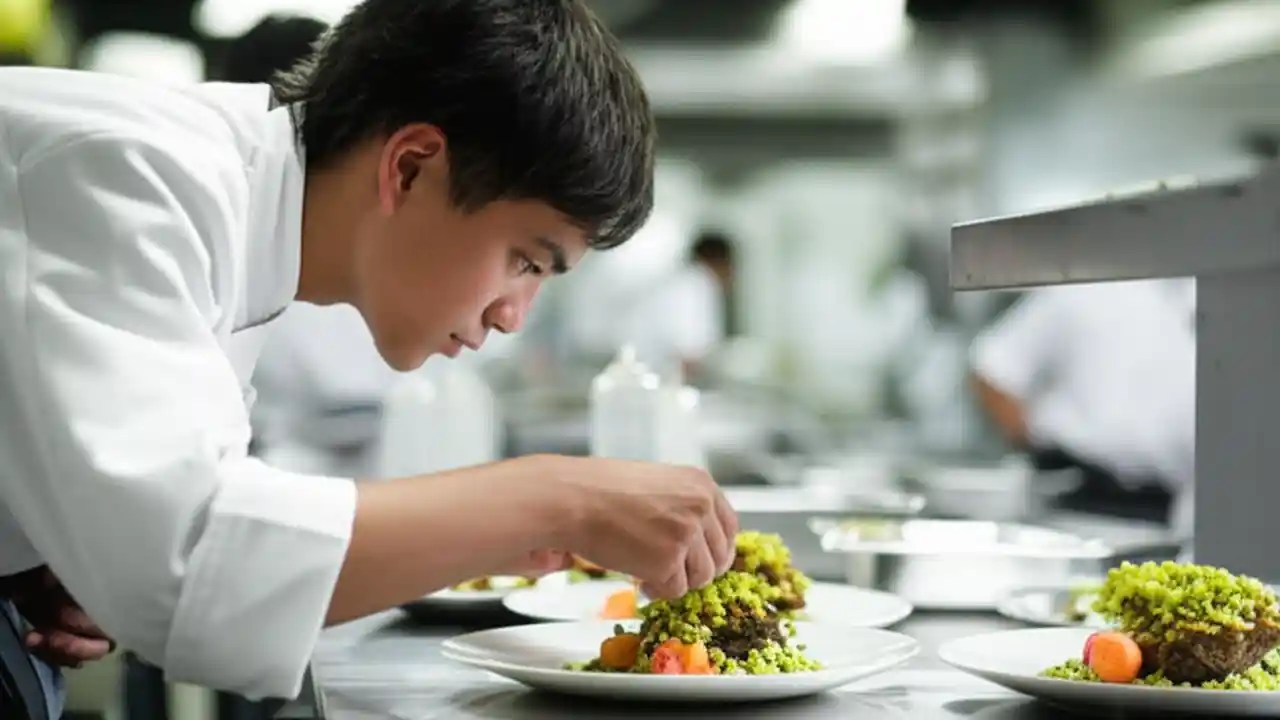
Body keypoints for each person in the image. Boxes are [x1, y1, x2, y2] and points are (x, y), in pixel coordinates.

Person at [0, 3, 738, 718]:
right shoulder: (136, 174)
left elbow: (160, 543)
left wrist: (60, 534)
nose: (514, 315)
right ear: (411, 168)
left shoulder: (235, 214)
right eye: (525, 260)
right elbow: (189, 560)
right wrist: (562, 497)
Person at [970, 279, 1195, 531]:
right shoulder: (1083, 286)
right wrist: (1034, 447)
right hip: (1077, 500)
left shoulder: (1200, 293)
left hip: (1166, 507)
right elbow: (993, 370)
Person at [624, 230, 736, 379]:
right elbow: (688, 350)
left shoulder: (680, 281)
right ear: (721, 261)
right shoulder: (698, 283)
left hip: (644, 372)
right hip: (661, 375)